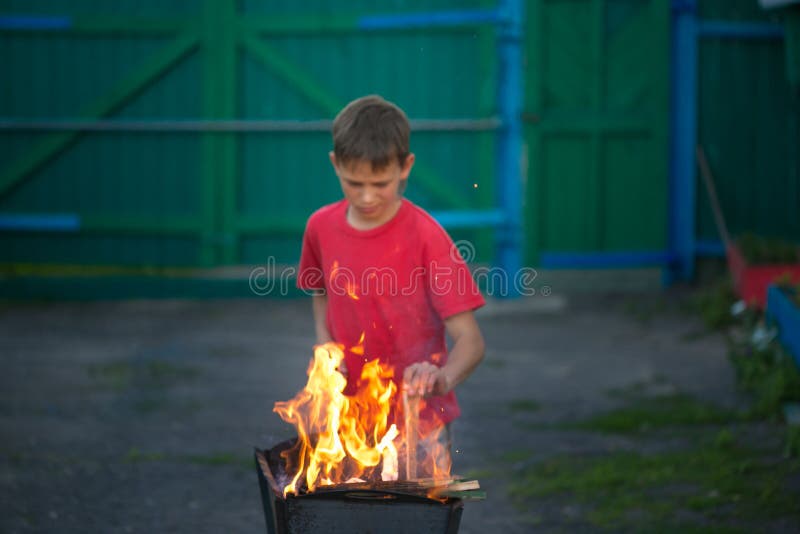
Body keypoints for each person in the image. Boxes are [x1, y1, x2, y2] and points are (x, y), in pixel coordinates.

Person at [296, 94, 485, 463]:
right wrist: (325, 345)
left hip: (421, 426)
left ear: (406, 166)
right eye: (354, 183)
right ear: (335, 164)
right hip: (345, 418)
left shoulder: (428, 237)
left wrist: (441, 379)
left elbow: (472, 342)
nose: (367, 196)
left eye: (381, 183)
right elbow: (320, 291)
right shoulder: (320, 227)